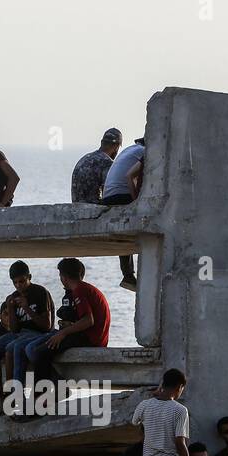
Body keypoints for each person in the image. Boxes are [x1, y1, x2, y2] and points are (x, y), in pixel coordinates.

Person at [0, 261, 54, 418]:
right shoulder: (14, 296)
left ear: (29, 277)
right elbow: (13, 329)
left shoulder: (40, 293)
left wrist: (27, 307)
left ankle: (15, 398)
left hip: (37, 334)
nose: (19, 286)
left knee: (13, 348)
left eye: (22, 281)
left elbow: (47, 326)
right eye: (15, 283)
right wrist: (11, 308)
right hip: (20, 333)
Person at [22, 258, 110, 391]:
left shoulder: (79, 290)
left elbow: (88, 320)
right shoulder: (85, 288)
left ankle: (49, 392)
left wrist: (62, 333)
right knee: (42, 348)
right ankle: (54, 388)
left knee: (39, 352)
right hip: (93, 336)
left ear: (63, 276)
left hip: (91, 339)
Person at [98, 135, 145, 288]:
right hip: (120, 196)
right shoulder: (145, 152)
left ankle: (128, 274)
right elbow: (129, 177)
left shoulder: (130, 150)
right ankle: (129, 274)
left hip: (107, 197)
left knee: (125, 233)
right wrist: (136, 201)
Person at [70, 128, 122, 203]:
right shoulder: (107, 162)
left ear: (102, 142)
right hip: (93, 210)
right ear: (116, 146)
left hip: (76, 208)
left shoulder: (84, 159)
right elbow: (109, 194)